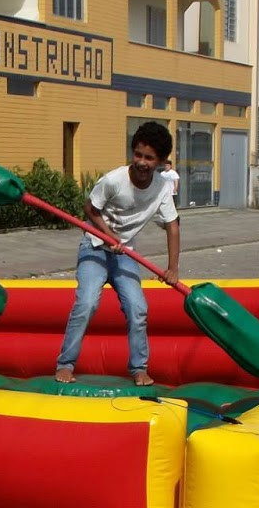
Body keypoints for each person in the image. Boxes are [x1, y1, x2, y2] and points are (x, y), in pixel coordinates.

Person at [54, 121, 180, 387]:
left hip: (126, 254)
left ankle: (139, 368)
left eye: (149, 158)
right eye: (138, 155)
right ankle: (65, 364)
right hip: (95, 247)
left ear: (161, 161)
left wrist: (173, 268)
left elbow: (172, 226)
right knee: (87, 303)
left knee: (138, 308)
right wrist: (107, 234)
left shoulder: (162, 189)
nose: (142, 162)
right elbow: (89, 208)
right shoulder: (113, 180)